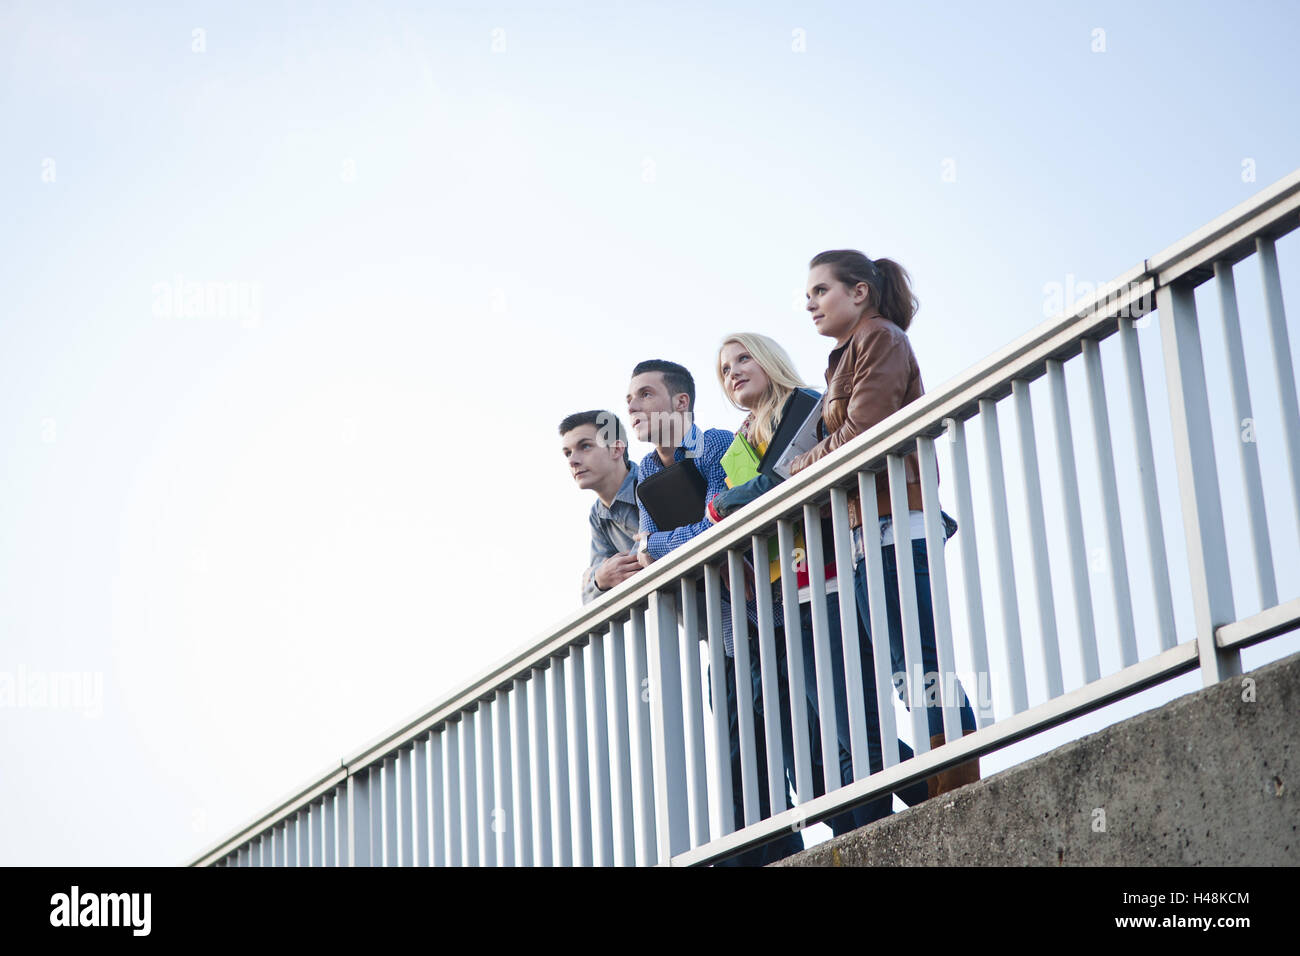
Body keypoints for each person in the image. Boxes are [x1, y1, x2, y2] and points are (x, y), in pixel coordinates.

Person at [707, 333, 929, 834]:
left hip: (831, 576)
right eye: (724, 369)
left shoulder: (807, 403)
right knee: (831, 731)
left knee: (852, 719)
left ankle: (931, 787)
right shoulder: (742, 440)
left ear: (769, 361)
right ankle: (870, 828)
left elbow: (782, 479)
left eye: (744, 359)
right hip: (787, 590)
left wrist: (722, 505)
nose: (734, 371)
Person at [788, 250, 980, 798]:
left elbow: (863, 432)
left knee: (917, 662)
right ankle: (942, 788)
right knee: (903, 667)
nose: (810, 304)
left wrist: (796, 470)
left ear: (859, 293)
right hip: (866, 534)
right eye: (807, 296)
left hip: (898, 522)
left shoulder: (881, 340)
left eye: (820, 291)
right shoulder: (845, 357)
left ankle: (960, 790)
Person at [626, 358, 805, 866]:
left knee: (812, 755)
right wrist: (658, 548)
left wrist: (660, 544)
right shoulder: (643, 474)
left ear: (681, 403)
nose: (632, 408)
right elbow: (645, 552)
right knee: (741, 777)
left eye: (644, 395)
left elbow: (722, 525)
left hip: (770, 625)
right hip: (723, 640)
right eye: (629, 400)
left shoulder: (721, 446)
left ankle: (926, 790)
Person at [559, 410, 642, 604]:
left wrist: (599, 575)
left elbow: (651, 555)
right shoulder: (597, 516)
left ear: (616, 449)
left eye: (585, 446)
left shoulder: (649, 483)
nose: (572, 460)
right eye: (567, 453)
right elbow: (589, 597)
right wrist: (600, 579)